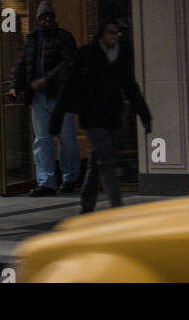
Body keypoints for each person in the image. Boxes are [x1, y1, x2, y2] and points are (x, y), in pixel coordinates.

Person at [50, 18, 151, 213]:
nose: (115, 36)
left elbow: (131, 88)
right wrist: (57, 118)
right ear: (101, 34)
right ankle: (117, 210)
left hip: (113, 117)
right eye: (111, 32)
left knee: (96, 163)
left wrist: (144, 115)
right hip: (92, 118)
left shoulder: (120, 56)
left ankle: (86, 208)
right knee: (107, 162)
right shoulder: (87, 54)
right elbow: (69, 86)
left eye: (117, 33)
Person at [8, 2, 80, 197]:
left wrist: (47, 80)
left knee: (67, 139)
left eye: (50, 16)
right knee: (42, 140)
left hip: (60, 96)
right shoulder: (31, 40)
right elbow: (22, 66)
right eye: (43, 17)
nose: (47, 19)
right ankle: (46, 182)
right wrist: (15, 87)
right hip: (38, 98)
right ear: (38, 19)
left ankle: (70, 178)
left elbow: (69, 63)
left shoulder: (64, 38)